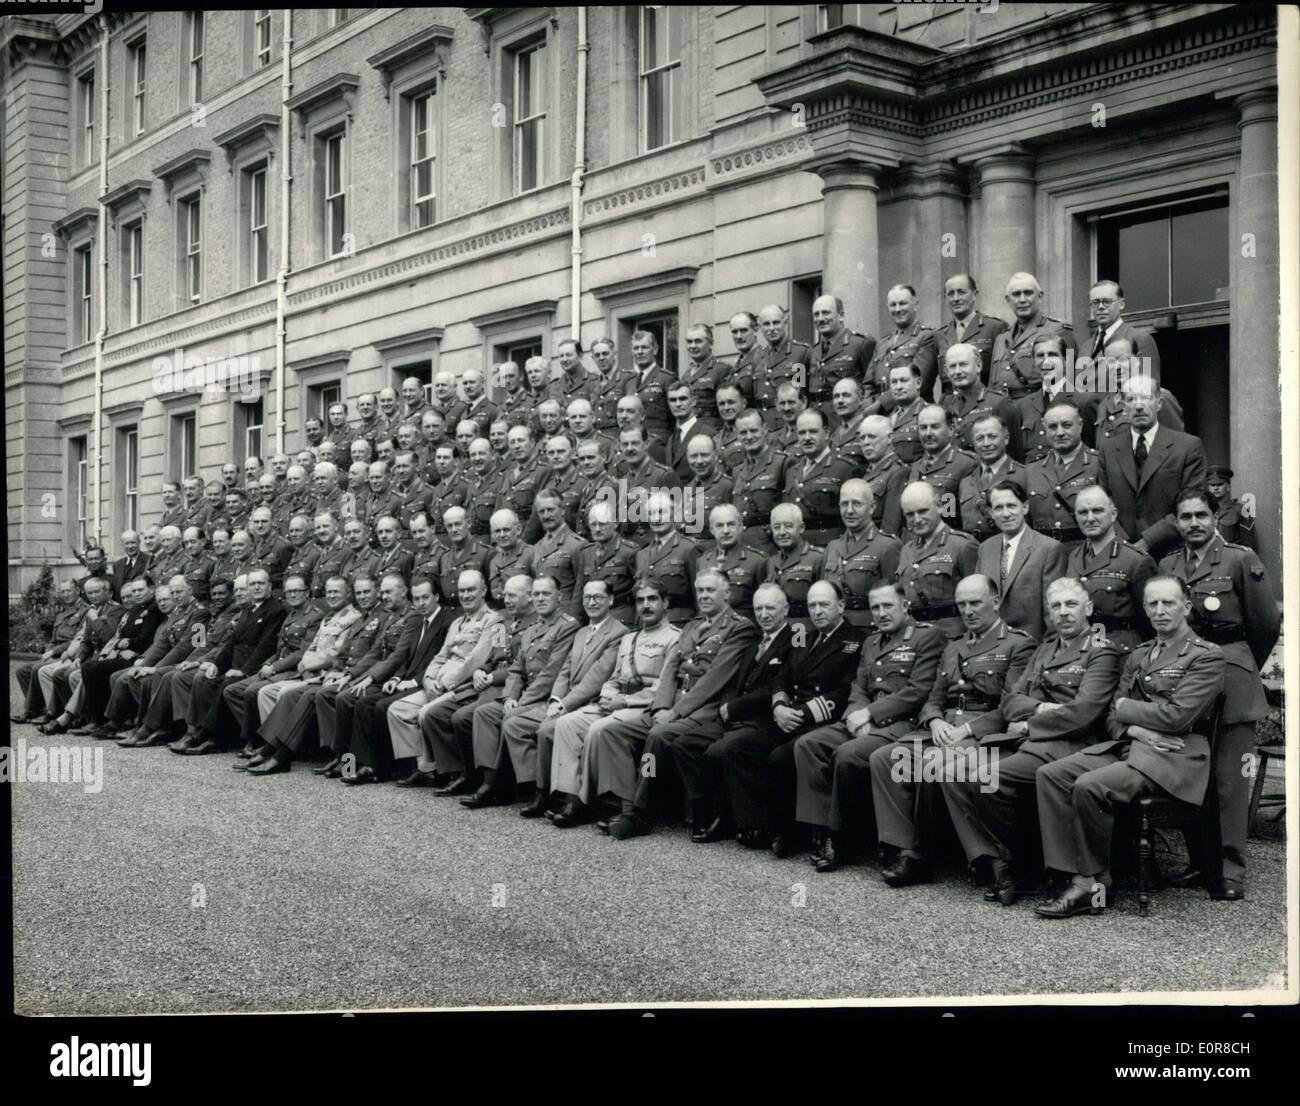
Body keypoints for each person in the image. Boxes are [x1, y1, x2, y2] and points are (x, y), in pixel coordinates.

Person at [1034, 576, 1225, 919]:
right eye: (1152, 604)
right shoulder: (1139, 654)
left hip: (1175, 755)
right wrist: (1135, 727)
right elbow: (1110, 715)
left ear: (1186, 607)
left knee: (1090, 785)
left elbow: (1176, 717)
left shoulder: (1206, 656)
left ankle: (1087, 885)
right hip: (1133, 746)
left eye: (1168, 603)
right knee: (1051, 774)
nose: (1160, 610)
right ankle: (1080, 874)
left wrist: (1126, 710)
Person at [940, 577, 1124, 904]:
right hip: (1030, 745)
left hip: (1071, 748)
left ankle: (1020, 864)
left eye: (1071, 604)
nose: (1063, 613)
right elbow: (1011, 701)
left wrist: (1029, 724)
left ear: (1089, 609)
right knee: (955, 772)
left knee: (989, 779)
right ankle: (1001, 864)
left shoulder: (1101, 651)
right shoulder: (1045, 649)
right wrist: (1042, 707)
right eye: (1056, 606)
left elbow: (1083, 714)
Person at [868, 575, 1035, 887]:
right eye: (962, 604)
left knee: (932, 765)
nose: (968, 611)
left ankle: (925, 854)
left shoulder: (1017, 644)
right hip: (945, 729)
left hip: (987, 734)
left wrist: (968, 728)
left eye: (975, 603)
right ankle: (903, 846)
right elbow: (933, 697)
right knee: (886, 758)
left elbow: (1012, 704)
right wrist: (934, 720)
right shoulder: (953, 646)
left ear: (996, 602)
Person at [1158, 489, 1279, 900]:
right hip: (1185, 677)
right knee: (1195, 772)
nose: (1194, 523)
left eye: (1201, 515)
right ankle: (1200, 862)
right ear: (1175, 522)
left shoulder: (1240, 559)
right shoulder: (1168, 564)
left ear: (1215, 517)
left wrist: (1241, 664)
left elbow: (1265, 624)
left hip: (1231, 675)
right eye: (1185, 516)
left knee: (1230, 780)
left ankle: (1230, 871)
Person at [592, 570, 759, 840]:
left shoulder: (740, 627)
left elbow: (716, 677)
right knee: (613, 731)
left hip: (705, 710)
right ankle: (623, 804)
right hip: (671, 706)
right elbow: (671, 669)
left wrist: (675, 712)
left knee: (657, 735)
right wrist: (660, 706)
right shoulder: (693, 625)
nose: (704, 596)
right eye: (700, 590)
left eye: (710, 590)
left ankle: (640, 812)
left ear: (727, 594)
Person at [792, 581, 946, 869]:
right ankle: (820, 829)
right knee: (809, 745)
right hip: (864, 719)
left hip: (902, 723)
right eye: (875, 607)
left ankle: (840, 839)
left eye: (888, 606)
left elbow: (918, 690)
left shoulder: (928, 636)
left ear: (905, 606)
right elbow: (859, 686)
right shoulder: (871, 642)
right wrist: (856, 714)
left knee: (848, 755)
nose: (881, 613)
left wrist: (871, 715)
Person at [701, 581, 865, 848]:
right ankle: (754, 825)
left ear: (841, 606)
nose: (817, 611)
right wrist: (779, 706)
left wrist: (799, 713)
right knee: (737, 749)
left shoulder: (855, 642)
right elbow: (783, 677)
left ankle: (787, 830)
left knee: (779, 758)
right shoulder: (805, 637)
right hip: (789, 716)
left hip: (822, 720)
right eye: (812, 605)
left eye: (824, 604)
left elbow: (845, 691)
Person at [546, 580, 682, 828]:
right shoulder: (630, 639)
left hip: (644, 707)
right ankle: (571, 796)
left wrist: (625, 701)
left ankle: (621, 805)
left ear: (666, 603)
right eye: (640, 601)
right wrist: (609, 694)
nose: (646, 605)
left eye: (652, 599)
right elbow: (614, 677)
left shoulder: (674, 639)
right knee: (567, 723)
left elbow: (665, 687)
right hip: (617, 702)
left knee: (602, 730)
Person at [512, 579, 628, 818]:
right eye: (587, 597)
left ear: (611, 600)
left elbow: (596, 677)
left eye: (598, 597)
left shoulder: (618, 632)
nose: (591, 602)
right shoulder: (582, 631)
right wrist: (556, 699)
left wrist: (564, 705)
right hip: (568, 701)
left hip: (592, 701)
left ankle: (561, 796)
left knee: (548, 729)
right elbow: (565, 669)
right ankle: (545, 792)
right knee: (523, 724)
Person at [461, 575, 579, 809]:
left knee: (511, 718)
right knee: (484, 713)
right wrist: (510, 697)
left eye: (545, 594)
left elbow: (550, 673)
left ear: (560, 597)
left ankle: (522, 787)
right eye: (536, 594)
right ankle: (489, 781)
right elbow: (516, 668)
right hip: (521, 693)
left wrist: (521, 701)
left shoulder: (567, 626)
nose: (540, 598)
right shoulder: (522, 626)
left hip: (546, 697)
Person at [1097, 374, 1206, 558]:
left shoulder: (1187, 447)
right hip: (1120, 553)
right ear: (1123, 407)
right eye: (1131, 399)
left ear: (1159, 403)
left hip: (1172, 553)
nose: (1139, 406)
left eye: (1146, 398)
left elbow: (1191, 504)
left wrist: (1146, 542)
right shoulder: (1108, 448)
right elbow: (1103, 501)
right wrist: (1125, 547)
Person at [975, 480, 1068, 642]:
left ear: (1025, 507)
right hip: (990, 648)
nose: (1005, 514)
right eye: (998, 508)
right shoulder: (985, 549)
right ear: (991, 513)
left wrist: (1045, 657)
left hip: (1033, 647)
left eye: (1011, 506)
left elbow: (1053, 615)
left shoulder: (1049, 549)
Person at [1067, 485, 1157, 652]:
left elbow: (1151, 622)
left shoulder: (1135, 560)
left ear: (1113, 514)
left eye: (1097, 511)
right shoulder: (1074, 557)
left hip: (1121, 654)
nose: (1090, 518)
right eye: (1083, 512)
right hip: (1081, 652)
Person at [894, 481, 979, 640]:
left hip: (951, 638)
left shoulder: (963, 545)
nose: (917, 519)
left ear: (940, 506)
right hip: (914, 639)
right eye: (910, 514)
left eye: (923, 511)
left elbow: (979, 600)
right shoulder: (906, 549)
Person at [821, 480, 902, 628]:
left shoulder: (887, 546)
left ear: (872, 507)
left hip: (870, 630)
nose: (849, 510)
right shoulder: (832, 547)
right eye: (844, 504)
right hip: (837, 630)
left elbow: (895, 601)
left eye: (857, 504)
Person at [987, 272, 1076, 401]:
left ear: (1039, 297)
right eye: (1016, 294)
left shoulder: (1058, 330)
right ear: (1008, 300)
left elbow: (1070, 379)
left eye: (1028, 293)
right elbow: (992, 384)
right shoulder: (1002, 338)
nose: (1022, 300)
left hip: (1036, 408)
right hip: (1003, 410)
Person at [13, 581, 87, 723]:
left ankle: (42, 710)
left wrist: (53, 652)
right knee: (22, 671)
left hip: (69, 654)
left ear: (77, 590)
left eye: (69, 591)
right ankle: (39, 708)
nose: (65, 595)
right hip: (54, 654)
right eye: (62, 591)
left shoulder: (85, 611)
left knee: (37, 669)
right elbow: (53, 639)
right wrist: (48, 651)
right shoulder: (61, 613)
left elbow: (76, 639)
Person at [864, 284, 938, 407]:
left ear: (915, 305)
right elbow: (868, 384)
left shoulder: (927, 337)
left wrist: (878, 406)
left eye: (903, 303)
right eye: (893, 305)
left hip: (913, 412)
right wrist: (867, 406)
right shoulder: (882, 344)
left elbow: (918, 382)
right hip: (878, 414)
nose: (897, 309)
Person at [934, 273, 1008, 390]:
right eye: (951, 294)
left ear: (974, 294)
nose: (956, 298)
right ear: (945, 298)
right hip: (950, 405)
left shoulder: (994, 328)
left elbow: (1002, 376)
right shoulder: (939, 335)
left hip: (983, 402)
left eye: (961, 292)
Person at [1205, 465, 1258, 552]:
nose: (1216, 488)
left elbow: (1249, 545)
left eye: (1220, 484)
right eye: (1212, 485)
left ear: (1228, 486)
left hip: (1231, 559)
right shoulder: (1203, 510)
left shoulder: (1240, 510)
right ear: (1208, 487)